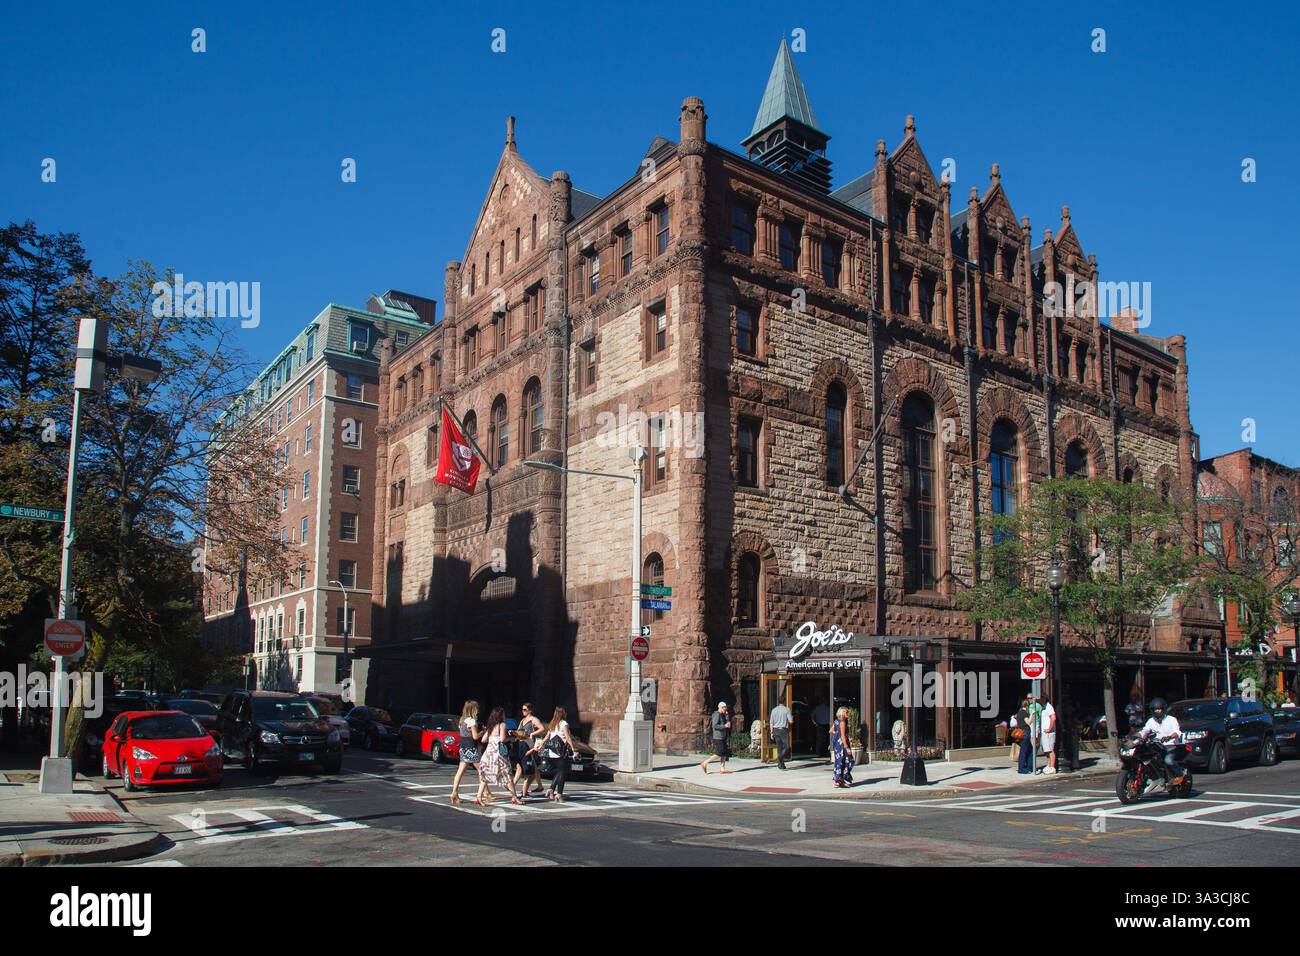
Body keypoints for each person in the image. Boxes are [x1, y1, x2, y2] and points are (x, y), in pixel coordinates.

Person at [475, 706, 522, 807]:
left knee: (485, 776)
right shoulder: (502, 725)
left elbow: (483, 740)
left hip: (488, 754)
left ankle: (479, 797)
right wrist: (511, 738)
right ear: (501, 715)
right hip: (499, 755)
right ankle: (514, 797)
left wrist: (492, 739)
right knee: (507, 775)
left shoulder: (491, 726)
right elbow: (502, 739)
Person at [1140, 697, 1186, 784]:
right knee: (1146, 758)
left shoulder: (1171, 719)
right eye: (1155, 709)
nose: (1157, 711)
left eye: (1159, 709)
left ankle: (1179, 774)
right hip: (1157, 745)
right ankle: (1152, 776)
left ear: (1163, 709)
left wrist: (1169, 737)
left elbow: (1177, 732)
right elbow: (1145, 730)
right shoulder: (1151, 721)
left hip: (1171, 746)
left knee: (1168, 760)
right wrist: (1137, 736)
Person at [450, 699, 483, 805]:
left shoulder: (462, 720)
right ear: (472, 709)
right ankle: (483, 793)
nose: (478, 710)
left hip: (463, 747)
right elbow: (475, 736)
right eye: (476, 708)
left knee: (460, 771)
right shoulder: (472, 721)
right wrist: (483, 732)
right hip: (471, 748)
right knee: (482, 771)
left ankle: (454, 792)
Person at [543, 706, 578, 802]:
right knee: (562, 772)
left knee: (560, 770)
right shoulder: (564, 723)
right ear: (563, 713)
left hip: (552, 752)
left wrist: (541, 745)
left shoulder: (553, 723)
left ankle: (551, 789)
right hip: (560, 752)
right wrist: (573, 749)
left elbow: (547, 737)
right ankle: (559, 794)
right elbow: (568, 737)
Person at [513, 702, 546, 797]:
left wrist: (533, 734)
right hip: (522, 744)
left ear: (530, 710)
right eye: (522, 709)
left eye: (525, 710)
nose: (523, 711)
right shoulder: (522, 720)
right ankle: (539, 786)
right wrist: (513, 733)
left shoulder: (533, 719)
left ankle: (516, 786)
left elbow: (542, 728)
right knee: (532, 766)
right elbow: (519, 732)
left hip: (529, 745)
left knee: (528, 766)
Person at [699, 702, 733, 774]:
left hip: (723, 736)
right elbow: (714, 725)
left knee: (724, 752)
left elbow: (726, 723)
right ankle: (705, 762)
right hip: (718, 737)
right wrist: (724, 726)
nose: (726, 709)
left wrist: (727, 717)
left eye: (726, 707)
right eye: (725, 707)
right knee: (720, 752)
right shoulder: (716, 714)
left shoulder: (722, 715)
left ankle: (722, 769)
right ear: (720, 707)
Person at [830, 706, 855, 788]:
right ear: (842, 713)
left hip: (837, 744)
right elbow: (843, 736)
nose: (847, 713)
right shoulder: (843, 722)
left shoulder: (837, 721)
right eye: (846, 712)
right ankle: (840, 780)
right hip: (842, 745)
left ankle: (838, 781)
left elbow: (831, 730)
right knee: (849, 761)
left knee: (840, 761)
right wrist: (846, 747)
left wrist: (836, 733)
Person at [769, 697, 793, 770]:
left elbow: (771, 723)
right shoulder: (787, 710)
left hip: (776, 730)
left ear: (778, 702)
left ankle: (781, 765)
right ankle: (780, 757)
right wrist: (792, 718)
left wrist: (771, 733)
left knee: (779, 748)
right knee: (787, 746)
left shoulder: (774, 710)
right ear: (784, 701)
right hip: (783, 730)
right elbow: (791, 721)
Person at [1011, 698, 1034, 774]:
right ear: (1027, 706)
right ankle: (1022, 768)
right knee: (1024, 751)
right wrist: (1032, 715)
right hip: (1025, 732)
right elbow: (1028, 722)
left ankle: (1029, 767)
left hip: (1021, 733)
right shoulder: (1024, 713)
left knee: (1029, 750)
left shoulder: (1019, 712)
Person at [1039, 694, 1057, 774]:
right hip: (1044, 732)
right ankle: (1049, 765)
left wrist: (1049, 728)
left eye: (1041, 698)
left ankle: (1052, 767)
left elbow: (1053, 718)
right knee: (1046, 750)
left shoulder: (1049, 707)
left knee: (1050, 750)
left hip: (1049, 732)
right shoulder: (1043, 707)